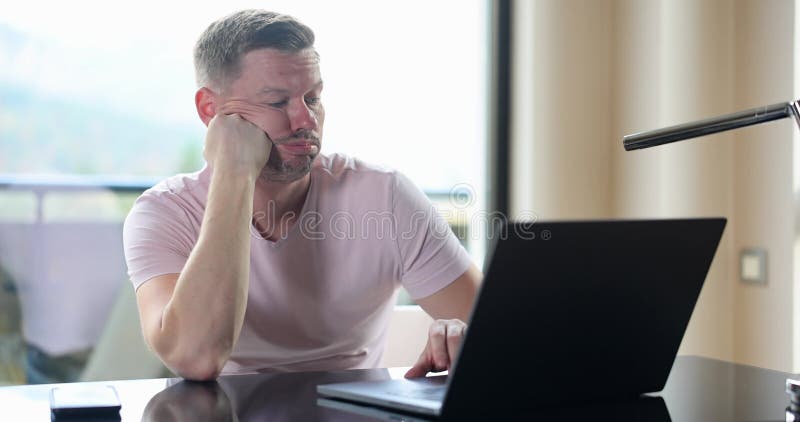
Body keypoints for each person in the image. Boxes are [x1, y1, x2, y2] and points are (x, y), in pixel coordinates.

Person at [122, 9, 482, 381]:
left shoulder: (384, 195)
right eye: (278, 103)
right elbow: (195, 358)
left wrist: (456, 334)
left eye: (312, 98)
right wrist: (233, 174)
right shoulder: (164, 212)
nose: (306, 121)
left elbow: (501, 337)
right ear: (211, 110)